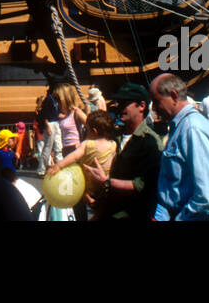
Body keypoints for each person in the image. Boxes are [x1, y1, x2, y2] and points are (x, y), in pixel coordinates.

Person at [150, 73, 209, 221]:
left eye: (156, 101)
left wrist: (182, 218)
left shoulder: (192, 128)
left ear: (173, 96)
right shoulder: (181, 126)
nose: (154, 108)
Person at [83, 83, 162, 221]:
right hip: (108, 211)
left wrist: (106, 181)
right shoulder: (113, 137)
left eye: (126, 103)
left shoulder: (150, 142)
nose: (120, 107)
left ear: (142, 106)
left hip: (132, 215)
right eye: (118, 103)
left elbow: (142, 185)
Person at [47, 109, 119, 220]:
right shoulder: (113, 145)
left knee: (94, 211)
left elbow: (74, 156)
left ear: (94, 131)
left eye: (87, 130)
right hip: (106, 187)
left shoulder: (87, 144)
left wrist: (59, 165)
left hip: (89, 188)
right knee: (101, 212)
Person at [56, 83, 88, 158]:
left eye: (58, 100)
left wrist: (83, 143)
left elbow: (91, 127)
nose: (57, 103)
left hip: (75, 148)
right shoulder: (65, 114)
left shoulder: (76, 112)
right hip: (66, 149)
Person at [39, 86, 62, 174]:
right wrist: (47, 126)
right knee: (48, 147)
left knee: (58, 146)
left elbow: (57, 113)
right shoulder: (48, 100)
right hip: (50, 123)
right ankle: (41, 169)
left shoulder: (56, 100)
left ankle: (60, 165)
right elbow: (44, 114)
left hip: (56, 122)